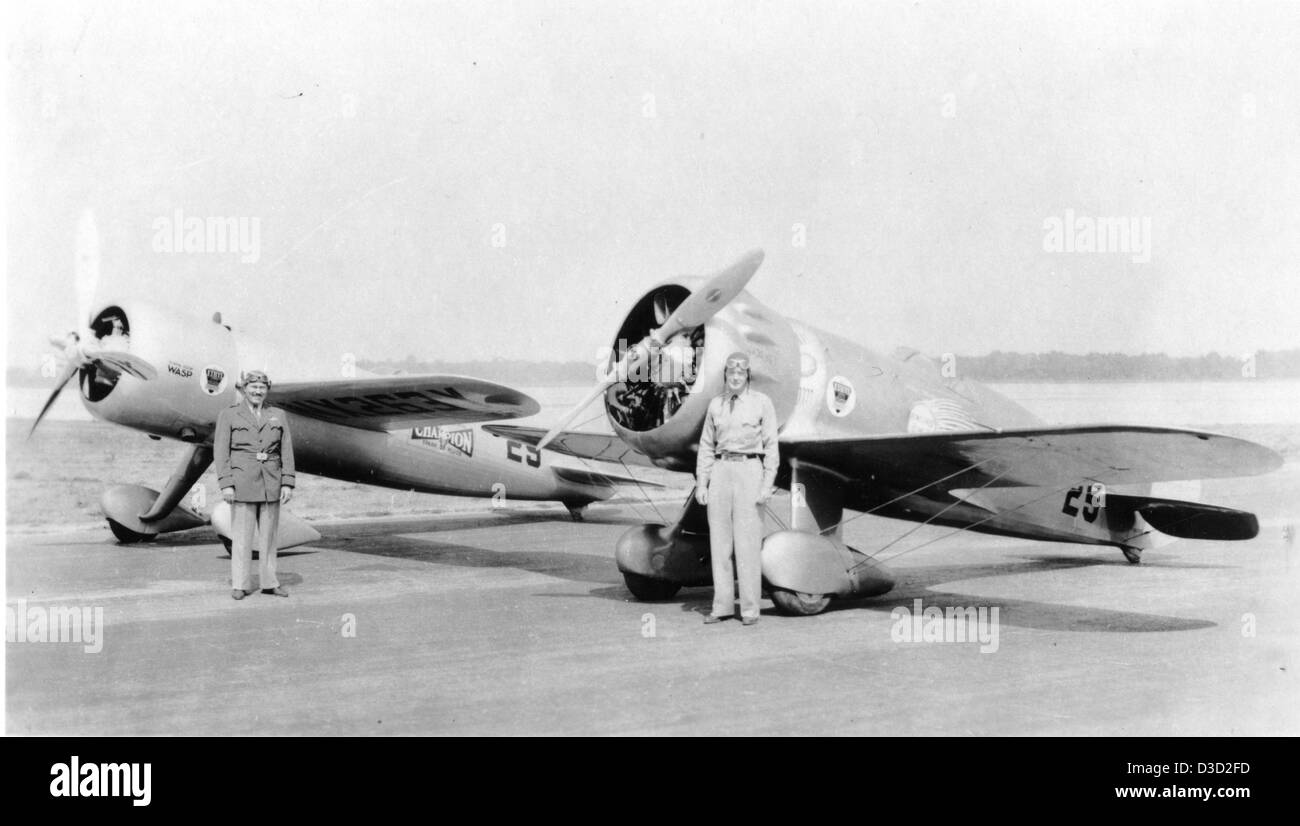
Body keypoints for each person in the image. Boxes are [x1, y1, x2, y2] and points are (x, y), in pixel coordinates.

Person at [695, 352, 779, 626]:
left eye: (740, 374)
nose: (735, 378)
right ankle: (722, 607)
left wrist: (767, 484)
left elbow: (771, 447)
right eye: (731, 374)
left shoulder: (761, 403)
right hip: (721, 470)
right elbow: (707, 446)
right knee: (720, 544)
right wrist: (702, 482)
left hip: (749, 471)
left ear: (747, 377)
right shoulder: (715, 405)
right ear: (725, 376)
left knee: (747, 545)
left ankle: (750, 610)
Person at [214, 370, 296, 600]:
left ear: (267, 390)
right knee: (241, 537)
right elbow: (221, 452)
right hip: (242, 483)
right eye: (253, 387)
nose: (258, 391)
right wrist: (226, 484)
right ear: (243, 389)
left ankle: (270, 583)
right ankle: (240, 584)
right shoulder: (229, 415)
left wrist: (287, 482)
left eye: (262, 388)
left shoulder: (278, 415)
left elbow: (286, 449)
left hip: (271, 482)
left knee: (269, 538)